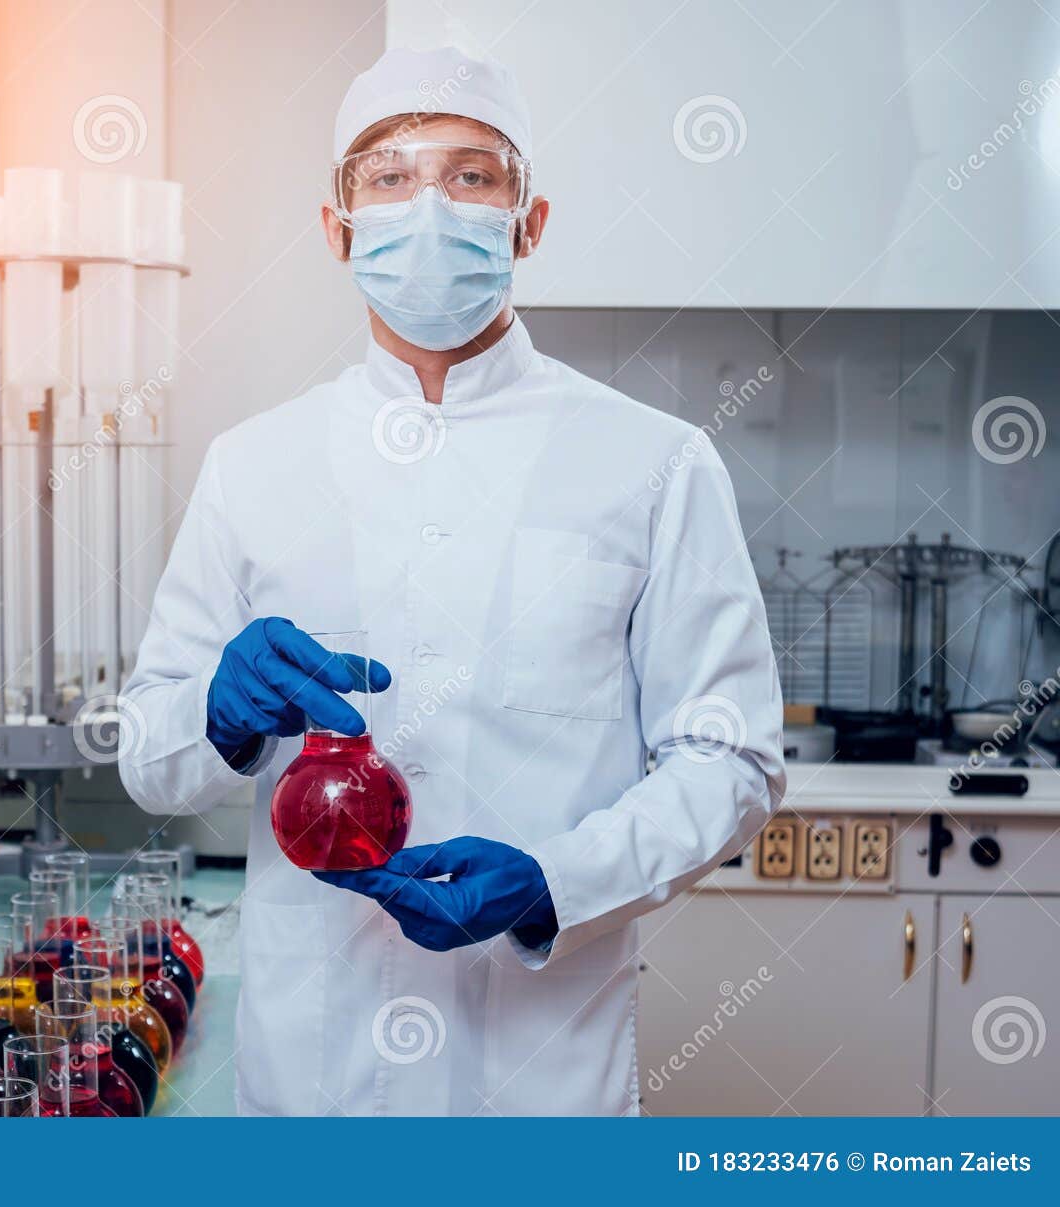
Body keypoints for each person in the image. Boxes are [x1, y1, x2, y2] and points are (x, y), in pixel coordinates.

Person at [118, 45, 784, 1116]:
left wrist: (557, 882)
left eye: (470, 174)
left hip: (538, 1085)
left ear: (530, 220)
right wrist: (219, 718)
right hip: (311, 1087)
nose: (427, 204)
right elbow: (151, 760)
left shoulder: (652, 463)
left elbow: (731, 757)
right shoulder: (252, 465)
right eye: (387, 176)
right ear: (336, 228)